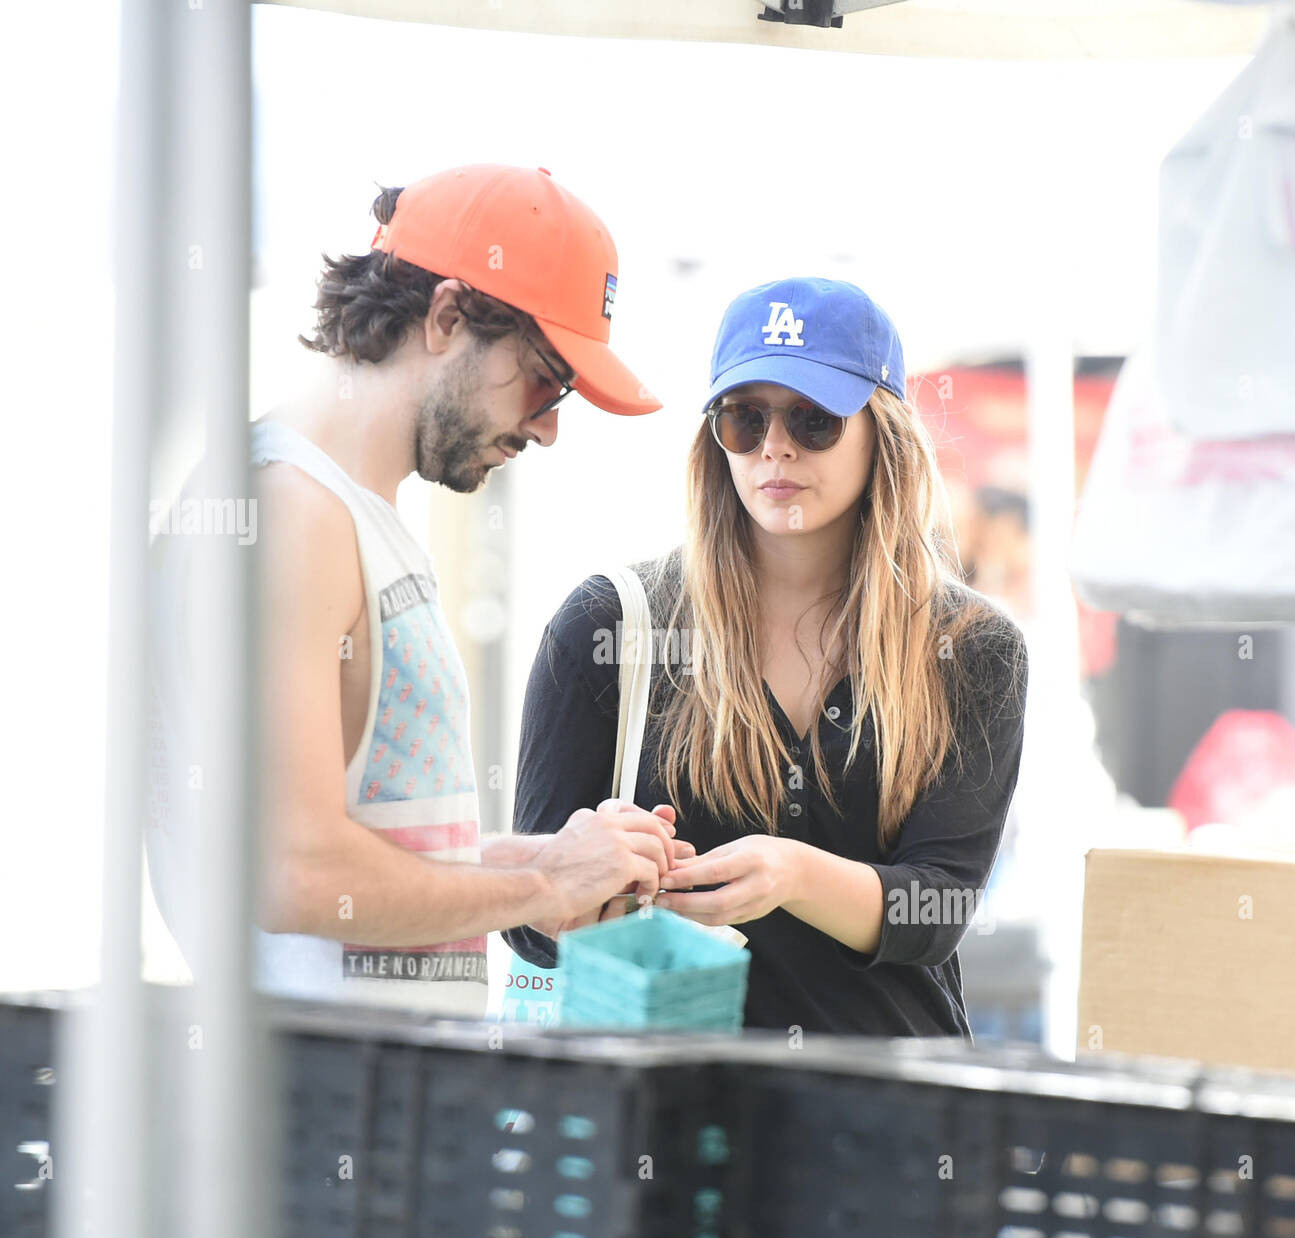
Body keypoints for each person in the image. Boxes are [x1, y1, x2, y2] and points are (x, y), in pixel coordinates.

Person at [145, 165, 688, 1014]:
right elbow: (295, 876)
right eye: (548, 379)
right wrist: (544, 890)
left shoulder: (339, 506)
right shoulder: (289, 511)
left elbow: (370, 850)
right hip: (310, 1102)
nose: (548, 428)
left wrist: (552, 863)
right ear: (445, 317)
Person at [503, 277, 1029, 1039]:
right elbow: (527, 922)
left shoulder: (970, 648)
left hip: (884, 1112)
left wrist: (791, 875)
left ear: (881, 431)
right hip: (661, 1111)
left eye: (813, 420)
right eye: (743, 419)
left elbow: (937, 909)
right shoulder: (608, 624)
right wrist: (604, 879)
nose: (773, 447)